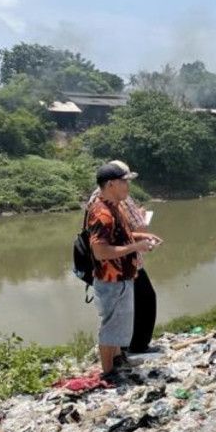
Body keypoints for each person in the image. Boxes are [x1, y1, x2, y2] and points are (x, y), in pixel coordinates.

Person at [87, 162, 162, 378]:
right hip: (111, 278)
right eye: (123, 182)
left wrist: (141, 237)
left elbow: (121, 236)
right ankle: (108, 373)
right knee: (111, 326)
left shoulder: (114, 206)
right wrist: (135, 247)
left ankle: (119, 361)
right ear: (110, 184)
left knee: (120, 323)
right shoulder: (102, 213)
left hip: (122, 276)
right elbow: (100, 251)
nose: (127, 186)